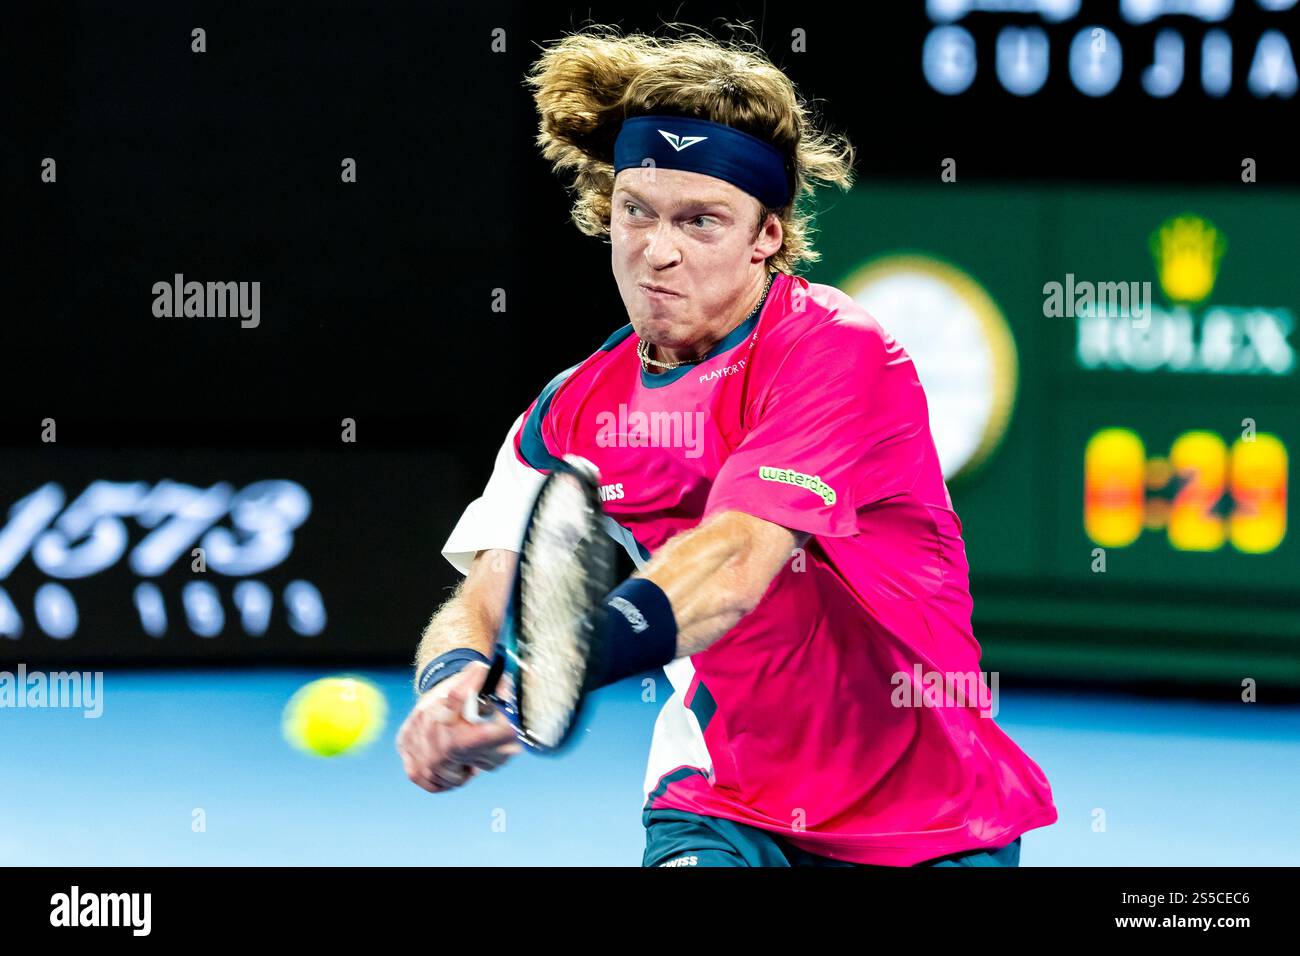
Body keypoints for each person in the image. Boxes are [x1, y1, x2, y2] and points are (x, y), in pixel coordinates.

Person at [396, 25, 1057, 867]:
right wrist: (453, 676)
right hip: (720, 794)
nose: (657, 250)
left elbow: (740, 559)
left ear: (767, 236)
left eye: (700, 220)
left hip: (929, 813)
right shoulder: (567, 410)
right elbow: (491, 588)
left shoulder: (838, 351)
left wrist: (571, 656)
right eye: (636, 211)